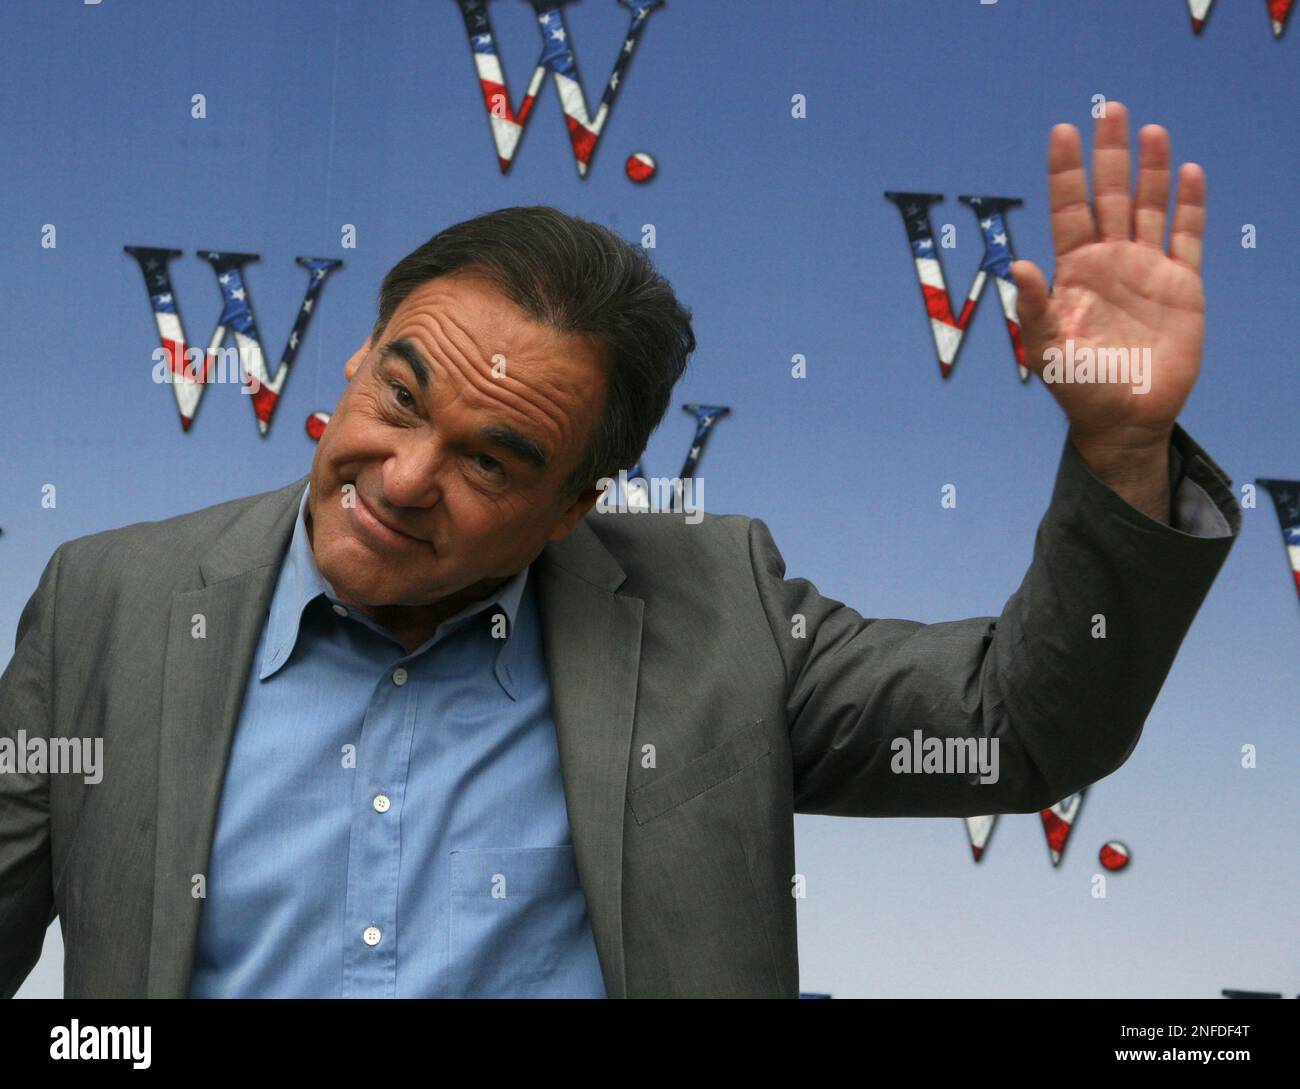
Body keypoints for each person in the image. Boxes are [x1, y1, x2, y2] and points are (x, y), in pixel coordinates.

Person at [0, 104, 1240, 998]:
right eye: (400, 393)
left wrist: (1123, 449)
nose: (404, 475)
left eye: (492, 461)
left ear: (576, 506)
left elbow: (1021, 727)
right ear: (355, 356)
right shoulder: (111, 604)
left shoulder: (720, 616)